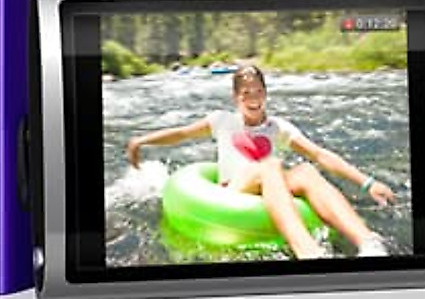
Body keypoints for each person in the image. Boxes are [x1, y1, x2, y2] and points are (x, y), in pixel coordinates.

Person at [126, 63, 394, 259]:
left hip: (269, 188)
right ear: (236, 97)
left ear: (265, 93)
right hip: (234, 191)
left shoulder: (278, 128)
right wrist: (142, 140)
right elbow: (181, 134)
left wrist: (367, 182)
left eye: (258, 91)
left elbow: (320, 154)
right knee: (270, 165)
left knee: (305, 171)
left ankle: (369, 242)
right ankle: (308, 251)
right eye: (246, 93)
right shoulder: (221, 121)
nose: (253, 99)